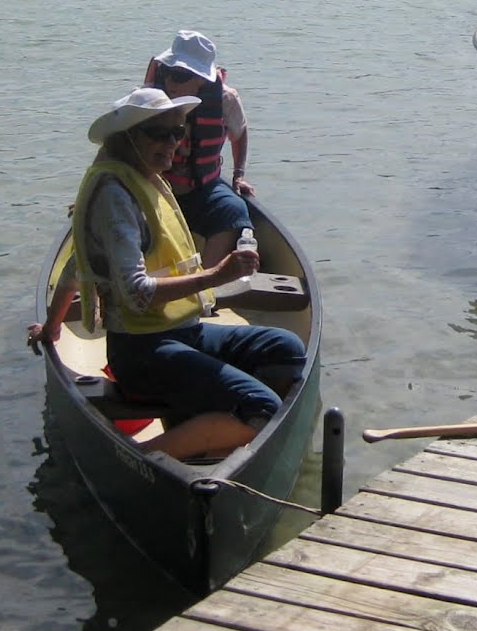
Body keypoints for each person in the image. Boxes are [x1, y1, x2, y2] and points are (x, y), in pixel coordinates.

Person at [28, 88, 307, 461]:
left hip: (183, 332)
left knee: (286, 349)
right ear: (127, 137)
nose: (173, 142)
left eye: (177, 132)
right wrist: (216, 275)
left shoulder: (145, 179)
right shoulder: (116, 197)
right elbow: (136, 293)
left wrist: (52, 328)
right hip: (143, 352)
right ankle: (139, 457)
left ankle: (219, 431)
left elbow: (75, 269)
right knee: (265, 406)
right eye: (158, 133)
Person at [143, 30, 253, 268]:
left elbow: (240, 132)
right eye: (168, 72)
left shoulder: (226, 99)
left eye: (181, 76)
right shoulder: (147, 99)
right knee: (119, 210)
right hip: (154, 186)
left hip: (203, 190)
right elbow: (116, 144)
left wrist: (239, 175)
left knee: (235, 211)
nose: (171, 82)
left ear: (201, 78)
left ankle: (204, 282)